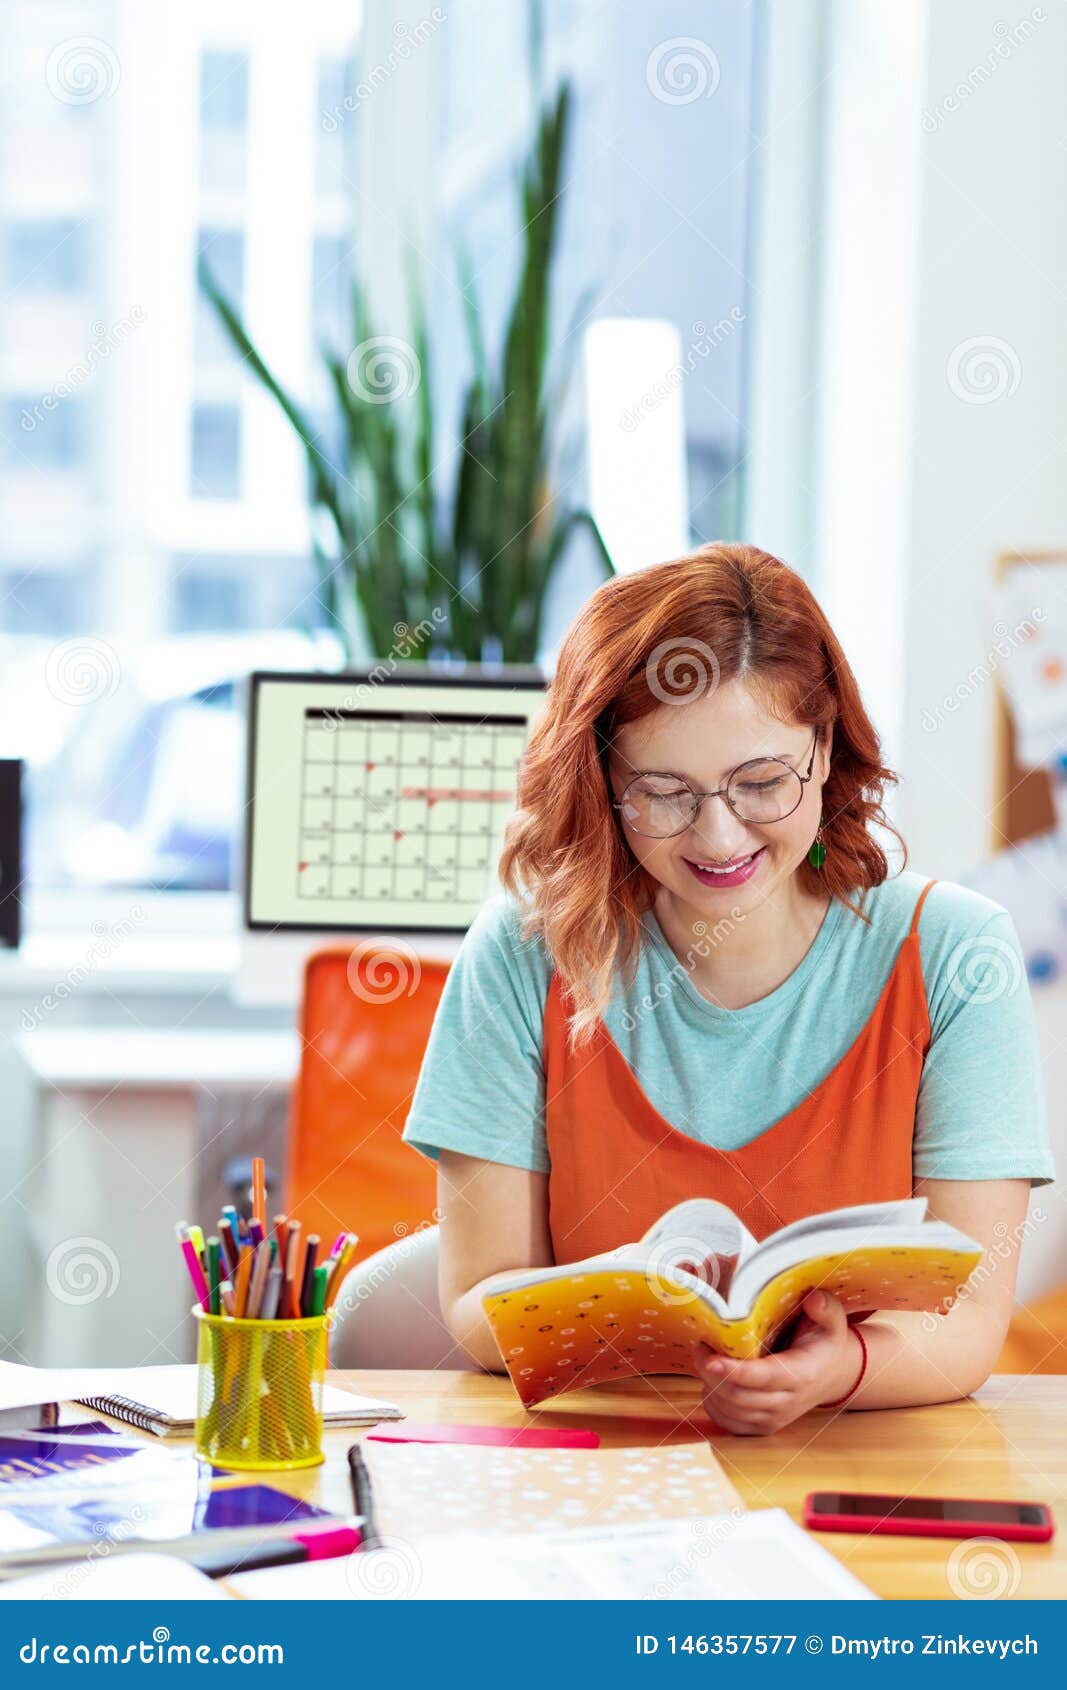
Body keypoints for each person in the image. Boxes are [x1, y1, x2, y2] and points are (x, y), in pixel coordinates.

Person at [402, 544, 1055, 1433]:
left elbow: (970, 1323)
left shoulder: (954, 956)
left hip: (853, 1457)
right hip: (600, 1458)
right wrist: (628, 1290)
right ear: (602, 780)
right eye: (663, 791)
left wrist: (839, 1369)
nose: (717, 836)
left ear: (823, 752)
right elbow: (481, 1306)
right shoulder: (521, 955)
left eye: (760, 783)